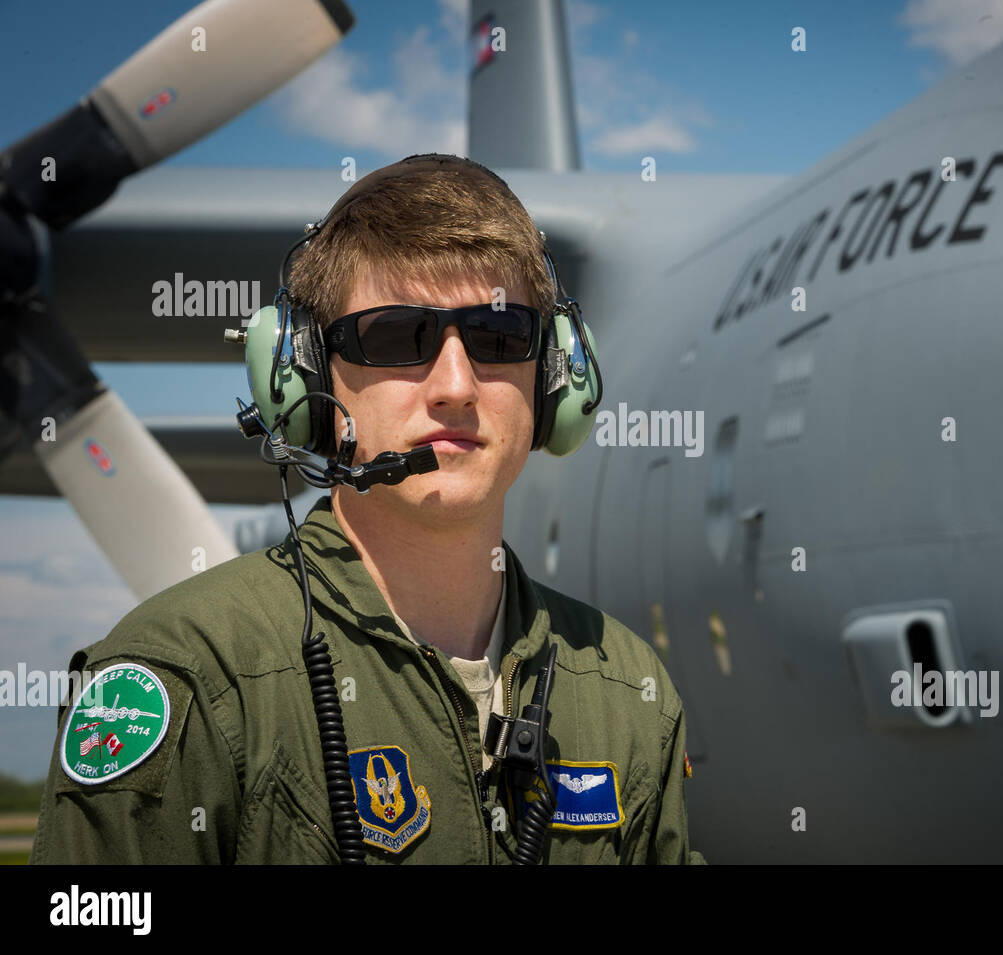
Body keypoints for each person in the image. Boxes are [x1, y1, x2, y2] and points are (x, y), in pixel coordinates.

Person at [31, 154, 705, 864]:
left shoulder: (628, 691)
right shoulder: (187, 675)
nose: (455, 385)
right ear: (302, 379)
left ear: (554, 376)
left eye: (499, 335)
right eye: (394, 336)